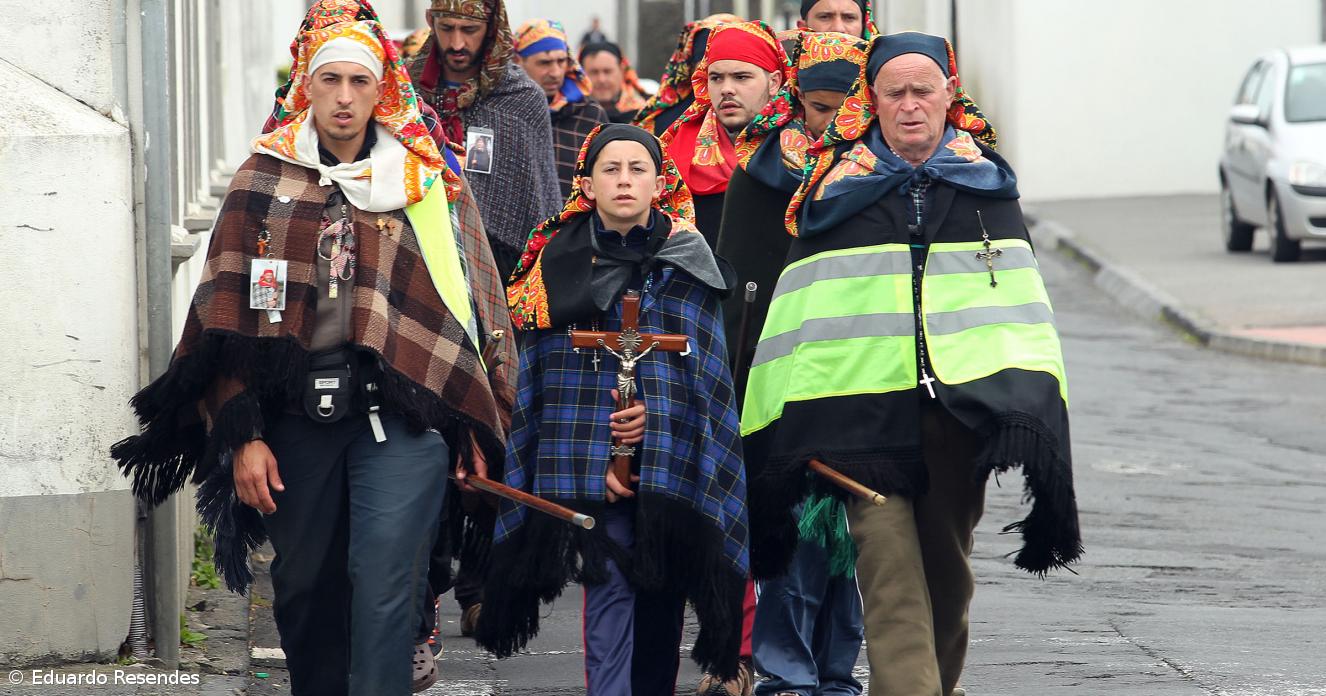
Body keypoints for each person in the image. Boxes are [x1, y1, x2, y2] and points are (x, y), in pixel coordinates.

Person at [110, 2, 516, 694]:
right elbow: (223, 325)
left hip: (403, 423)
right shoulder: (261, 182)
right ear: (307, 85)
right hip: (297, 423)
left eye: (360, 82)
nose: (345, 97)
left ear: (382, 88)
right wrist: (242, 437)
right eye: (331, 81)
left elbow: (476, 309)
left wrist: (473, 420)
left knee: (387, 585)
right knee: (303, 589)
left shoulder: (422, 185)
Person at [741, 32, 1082, 696]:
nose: (910, 105)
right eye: (894, 93)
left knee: (946, 584)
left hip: (957, 421)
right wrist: (787, 423)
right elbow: (798, 321)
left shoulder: (989, 188)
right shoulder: (834, 192)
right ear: (872, 102)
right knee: (891, 579)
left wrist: (1025, 406)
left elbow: (1023, 318)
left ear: (949, 96)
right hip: (859, 423)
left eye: (923, 90)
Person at [475, 124, 749, 696]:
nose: (624, 181)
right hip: (593, 461)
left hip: (670, 458)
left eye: (637, 169)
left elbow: (704, 375)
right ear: (588, 182)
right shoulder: (557, 259)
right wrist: (595, 449)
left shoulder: (688, 259)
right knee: (607, 585)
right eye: (610, 169)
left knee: (663, 597)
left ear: (658, 180)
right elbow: (549, 379)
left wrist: (656, 418)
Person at [716, 30, 871, 696]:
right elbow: (736, 276)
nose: (830, 121)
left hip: (861, 373)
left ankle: (836, 672)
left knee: (855, 542)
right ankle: (786, 675)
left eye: (843, 107)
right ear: (797, 99)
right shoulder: (760, 168)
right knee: (795, 533)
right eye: (818, 107)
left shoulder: (877, 175)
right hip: (779, 376)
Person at [407, 0, 562, 279]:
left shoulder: (522, 99)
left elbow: (540, 201)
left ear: (491, 28)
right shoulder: (405, 93)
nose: (457, 43)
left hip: (500, 265)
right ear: (431, 21)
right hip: (417, 251)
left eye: (469, 29)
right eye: (447, 28)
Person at [662, 20, 791, 249]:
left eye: (741, 77)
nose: (726, 89)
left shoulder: (800, 153)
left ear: (774, 83)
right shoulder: (675, 155)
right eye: (716, 78)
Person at [515, 19, 610, 198]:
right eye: (544, 63)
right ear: (518, 61)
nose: (556, 72)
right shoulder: (506, 113)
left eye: (561, 61)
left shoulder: (589, 114)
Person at [634, 13, 742, 136]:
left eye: (740, 76)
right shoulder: (663, 123)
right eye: (705, 61)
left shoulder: (758, 120)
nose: (726, 87)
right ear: (689, 67)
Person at [580, 41, 651, 124]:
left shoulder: (648, 110)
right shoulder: (572, 113)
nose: (601, 79)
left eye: (607, 71)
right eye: (594, 72)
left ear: (622, 70)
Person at [797, 0, 878, 38]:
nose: (838, 28)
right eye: (824, 17)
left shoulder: (884, 70)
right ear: (802, 28)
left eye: (849, 18)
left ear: (865, 27)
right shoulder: (788, 72)